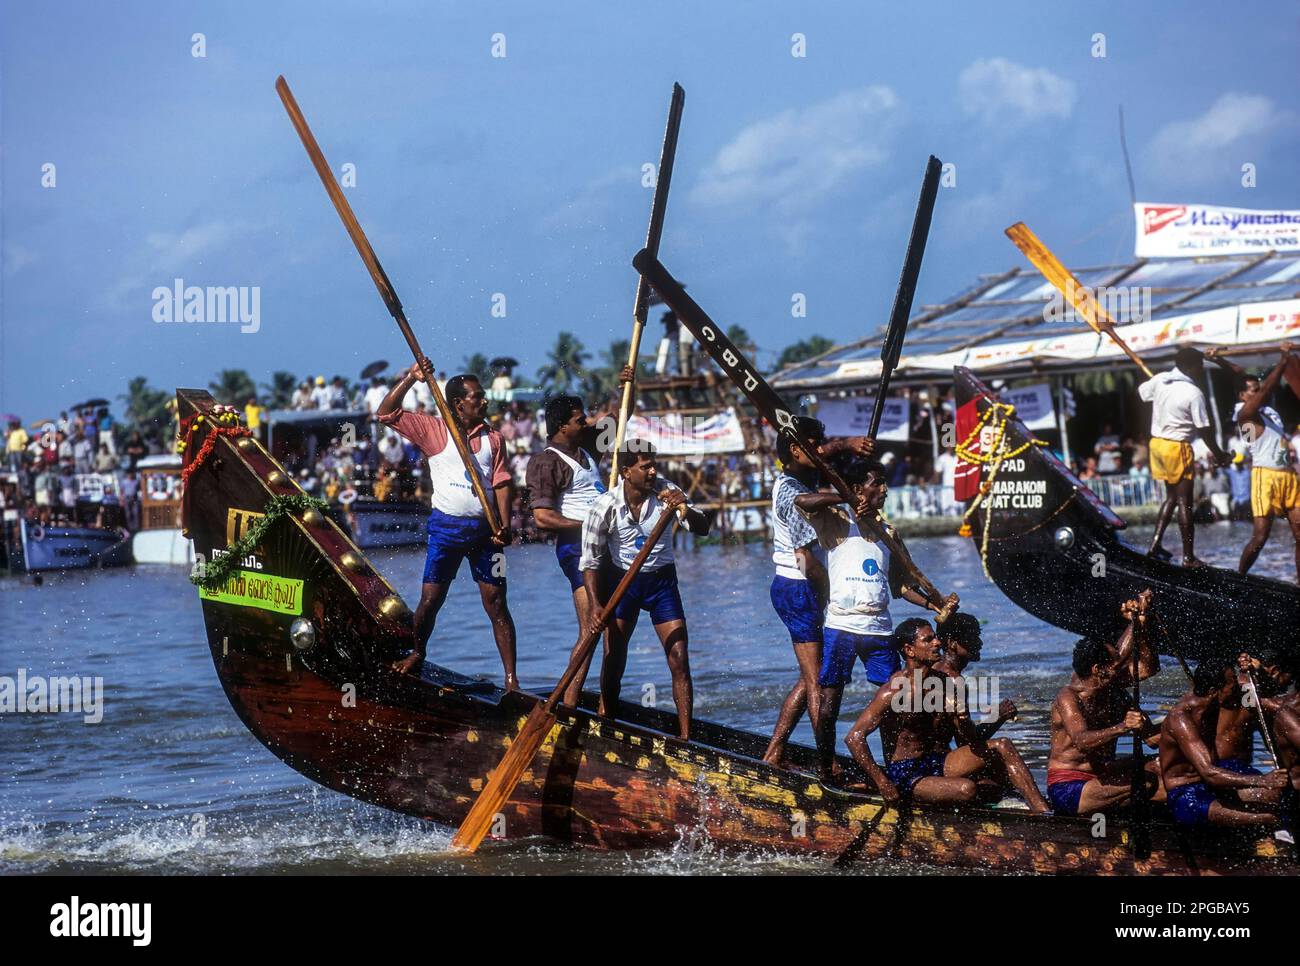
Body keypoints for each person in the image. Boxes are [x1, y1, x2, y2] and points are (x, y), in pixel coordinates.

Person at [792, 455, 955, 780]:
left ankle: (895, 769)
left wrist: (931, 605)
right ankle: (826, 769)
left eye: (883, 483)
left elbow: (900, 587)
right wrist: (848, 499)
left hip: (879, 629)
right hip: (841, 625)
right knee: (828, 706)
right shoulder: (838, 522)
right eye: (876, 483)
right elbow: (802, 501)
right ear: (858, 489)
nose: (884, 489)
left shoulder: (888, 532)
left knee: (897, 703)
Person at [378, 359, 518, 689]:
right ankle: (417, 651)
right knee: (430, 600)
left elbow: (501, 481)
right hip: (445, 530)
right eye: (477, 397)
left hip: (485, 534)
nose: (484, 401)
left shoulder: (494, 438)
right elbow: (386, 413)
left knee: (497, 602)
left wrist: (505, 524)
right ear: (458, 403)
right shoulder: (434, 430)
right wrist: (411, 378)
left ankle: (512, 679)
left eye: (483, 396)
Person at [760, 417, 873, 770]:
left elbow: (822, 452)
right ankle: (827, 763)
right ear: (796, 450)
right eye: (814, 444)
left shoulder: (803, 473)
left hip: (801, 587)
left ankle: (774, 751)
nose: (822, 450)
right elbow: (805, 552)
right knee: (817, 682)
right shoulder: (791, 490)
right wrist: (848, 496)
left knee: (812, 674)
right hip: (798, 586)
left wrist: (850, 443)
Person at [844, 618, 1049, 811]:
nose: (937, 642)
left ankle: (1043, 813)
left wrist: (962, 718)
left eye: (936, 637)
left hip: (940, 761)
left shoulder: (947, 683)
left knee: (1002, 746)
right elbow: (854, 738)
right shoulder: (894, 691)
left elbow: (968, 740)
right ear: (909, 650)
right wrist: (882, 782)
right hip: (907, 772)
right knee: (966, 789)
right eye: (928, 640)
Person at [578, 441, 710, 739]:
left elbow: (703, 528)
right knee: (614, 657)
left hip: (662, 584)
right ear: (626, 471)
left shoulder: (667, 493)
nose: (652, 472)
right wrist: (596, 605)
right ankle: (606, 717)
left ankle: (685, 738)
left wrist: (683, 508)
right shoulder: (604, 507)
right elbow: (590, 563)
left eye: (654, 465)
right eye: (645, 467)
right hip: (624, 583)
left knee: (679, 656)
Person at [526, 388, 625, 706]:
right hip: (578, 551)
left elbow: (620, 419)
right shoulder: (546, 462)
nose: (586, 423)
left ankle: (606, 704)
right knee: (591, 627)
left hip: (607, 547)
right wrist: (589, 526)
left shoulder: (586, 448)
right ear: (562, 427)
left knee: (613, 631)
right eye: (580, 420)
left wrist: (626, 387)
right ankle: (567, 702)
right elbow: (543, 518)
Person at [1046, 598, 1163, 817]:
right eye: (1116, 665)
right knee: (1146, 781)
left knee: (1162, 766)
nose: (1120, 667)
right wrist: (1123, 726)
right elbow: (1082, 741)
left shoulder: (1113, 692)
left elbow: (1149, 667)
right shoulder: (1068, 698)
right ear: (1098, 669)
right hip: (1070, 787)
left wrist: (1140, 624)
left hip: (1103, 775)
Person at [1206, 344, 1300, 580]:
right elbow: (1265, 387)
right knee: (1260, 537)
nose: (1259, 392)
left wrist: (1219, 360)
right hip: (1264, 476)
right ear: (1242, 396)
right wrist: (1283, 360)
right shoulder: (1244, 415)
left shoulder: (1263, 408)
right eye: (1253, 391)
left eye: (1258, 389)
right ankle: (1239, 578)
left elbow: (1241, 374)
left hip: (1288, 475)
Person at [1158, 659, 1287, 828]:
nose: (1238, 689)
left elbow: (1253, 698)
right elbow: (1209, 773)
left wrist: (1255, 671)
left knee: (1279, 797)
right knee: (1271, 817)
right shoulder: (1181, 718)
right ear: (1214, 691)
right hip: (1187, 795)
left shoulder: (1213, 703)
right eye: (1233, 685)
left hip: (1212, 786)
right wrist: (1263, 780)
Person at [1139, 346, 1230, 566]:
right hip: (1176, 447)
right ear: (1189, 367)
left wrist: (1160, 389)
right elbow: (1205, 430)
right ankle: (1188, 557)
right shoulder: (1194, 393)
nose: (1201, 369)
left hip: (1158, 445)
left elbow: (1143, 393)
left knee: (1171, 498)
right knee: (1184, 502)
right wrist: (1219, 454)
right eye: (1199, 365)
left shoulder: (1161, 379)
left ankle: (1154, 545)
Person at [1227, 452, 1252, 520]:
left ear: (1242, 463)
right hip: (1236, 501)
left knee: (1246, 519)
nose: (1238, 465)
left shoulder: (1248, 473)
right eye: (1236, 463)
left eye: (1239, 463)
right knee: (1236, 519)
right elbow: (1223, 468)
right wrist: (1230, 459)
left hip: (1246, 501)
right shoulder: (1232, 473)